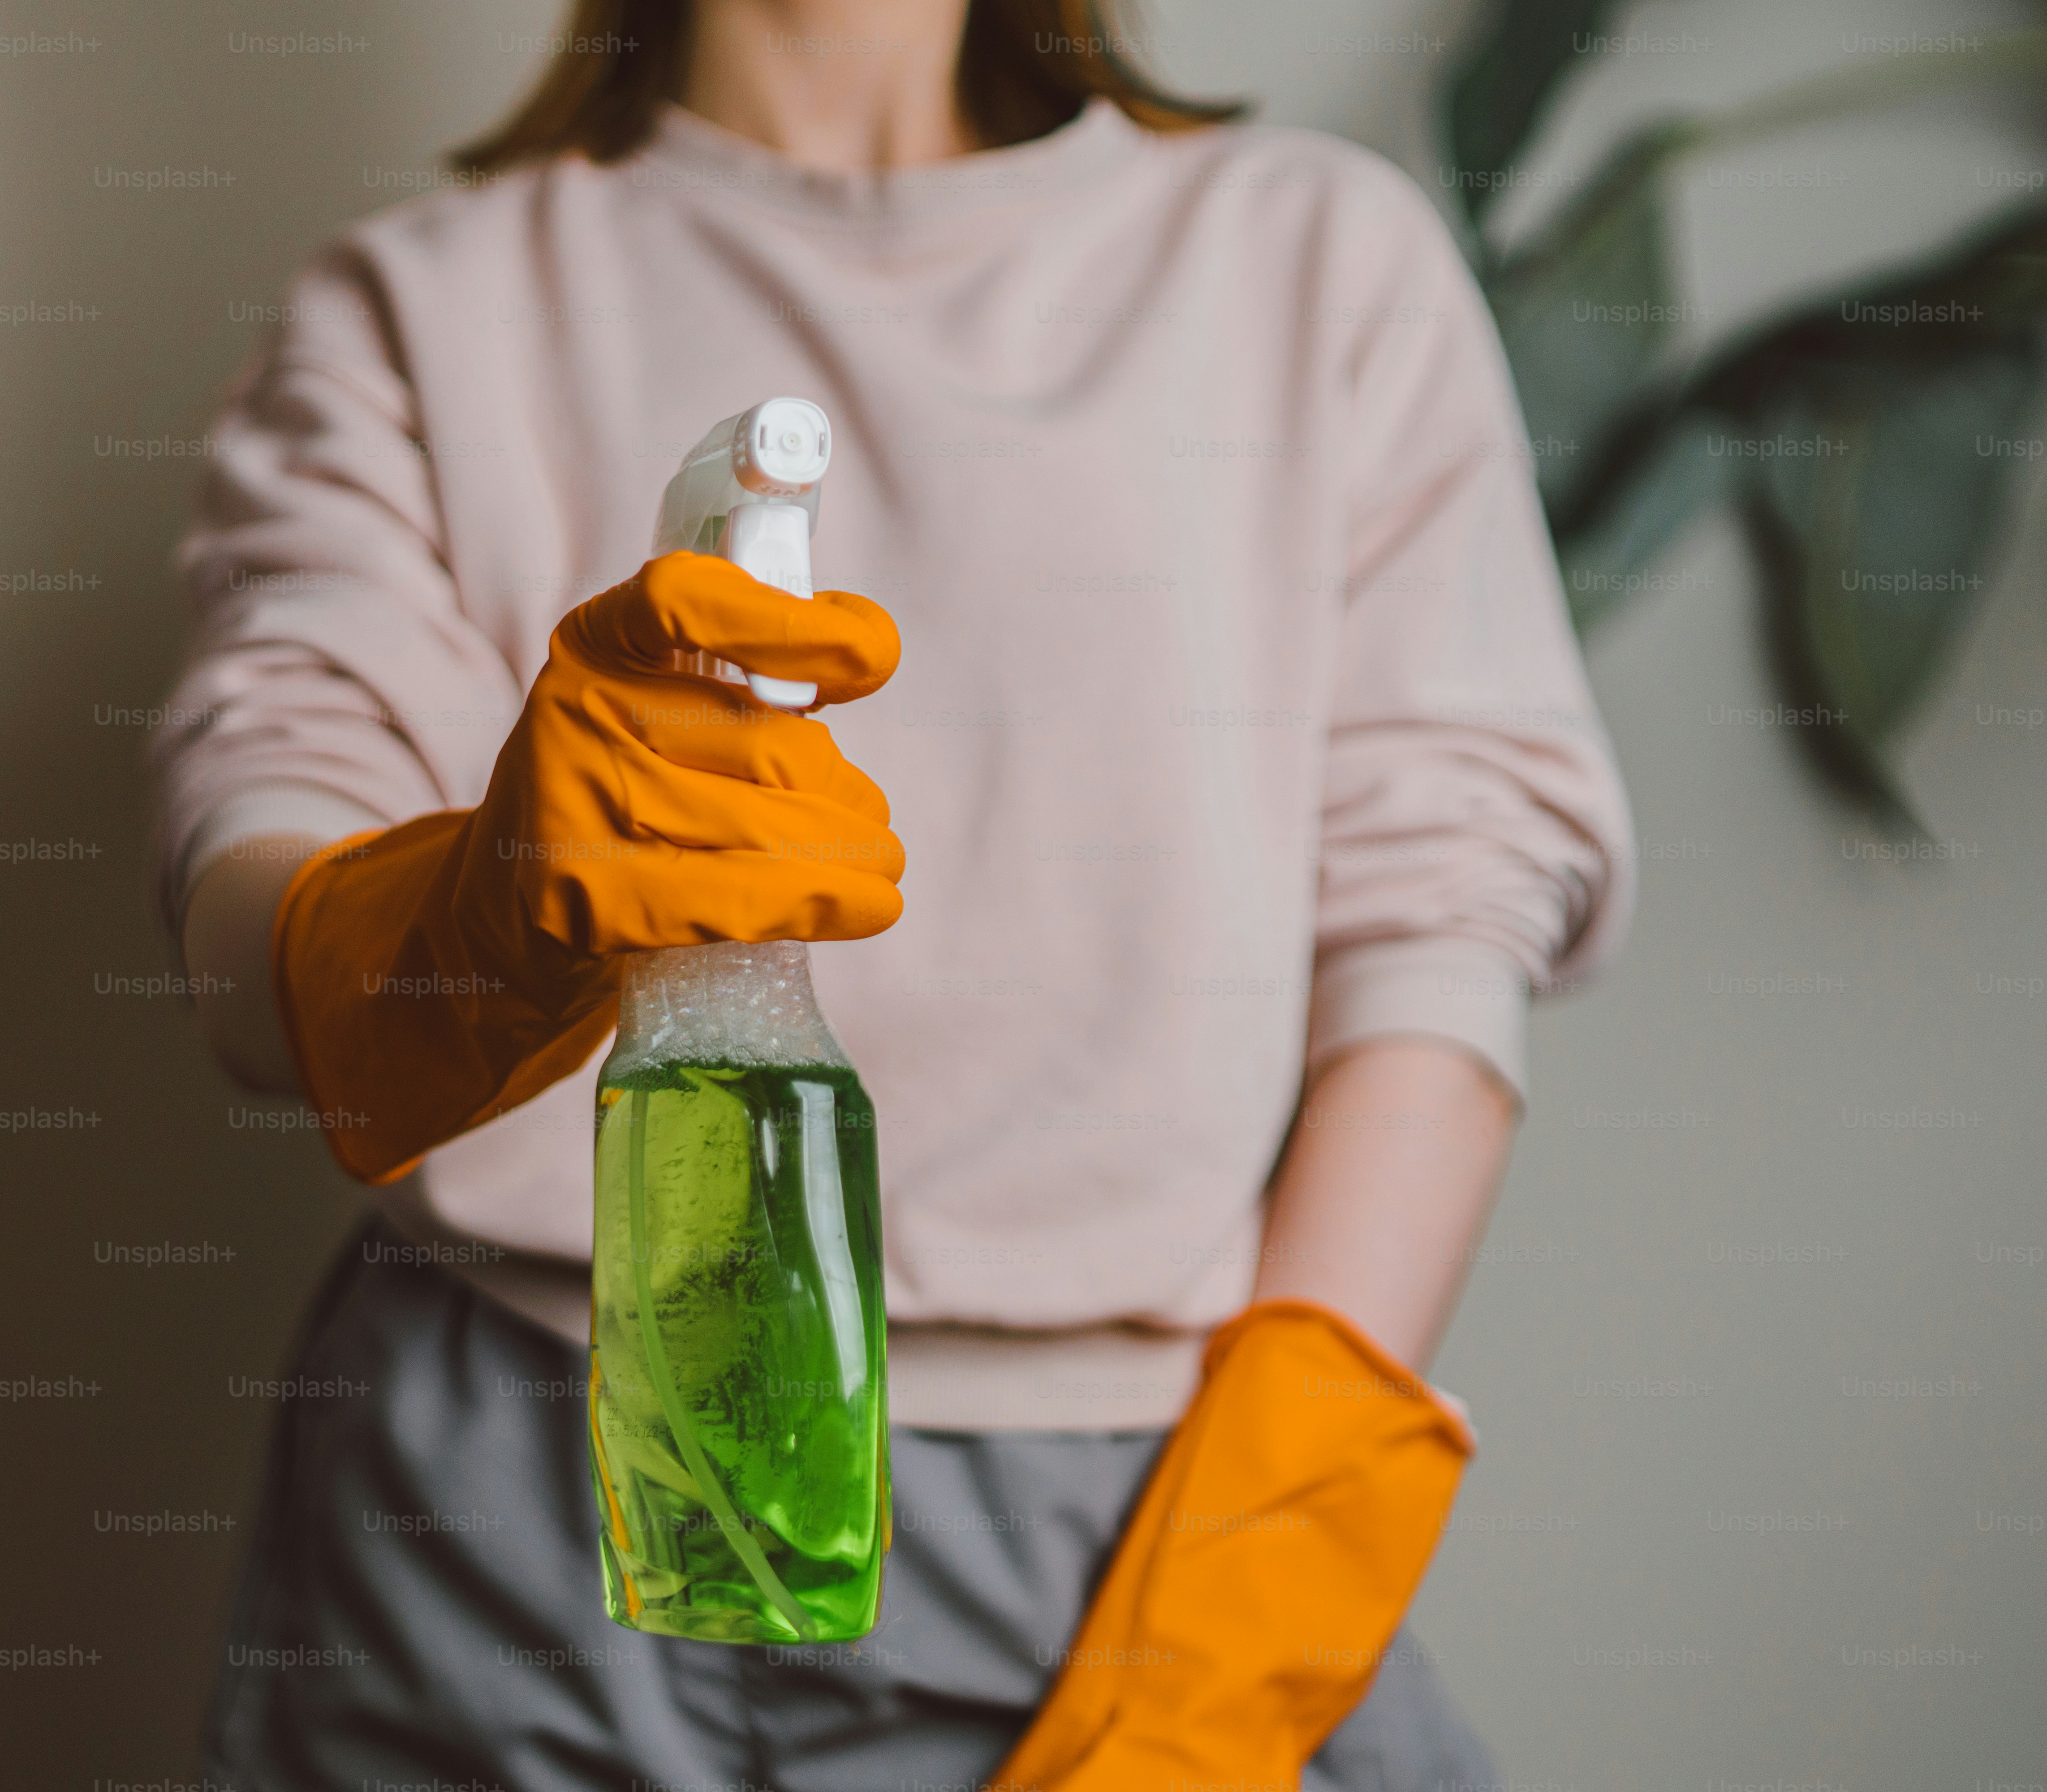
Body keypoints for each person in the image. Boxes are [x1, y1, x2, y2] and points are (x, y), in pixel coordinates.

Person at [152, 0, 1634, 1786]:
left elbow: (1439, 942)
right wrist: (467, 921)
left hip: (1132, 1507)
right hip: (504, 1506)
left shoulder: (1312, 263)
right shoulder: (425, 302)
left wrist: (1232, 1631)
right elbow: (259, 914)